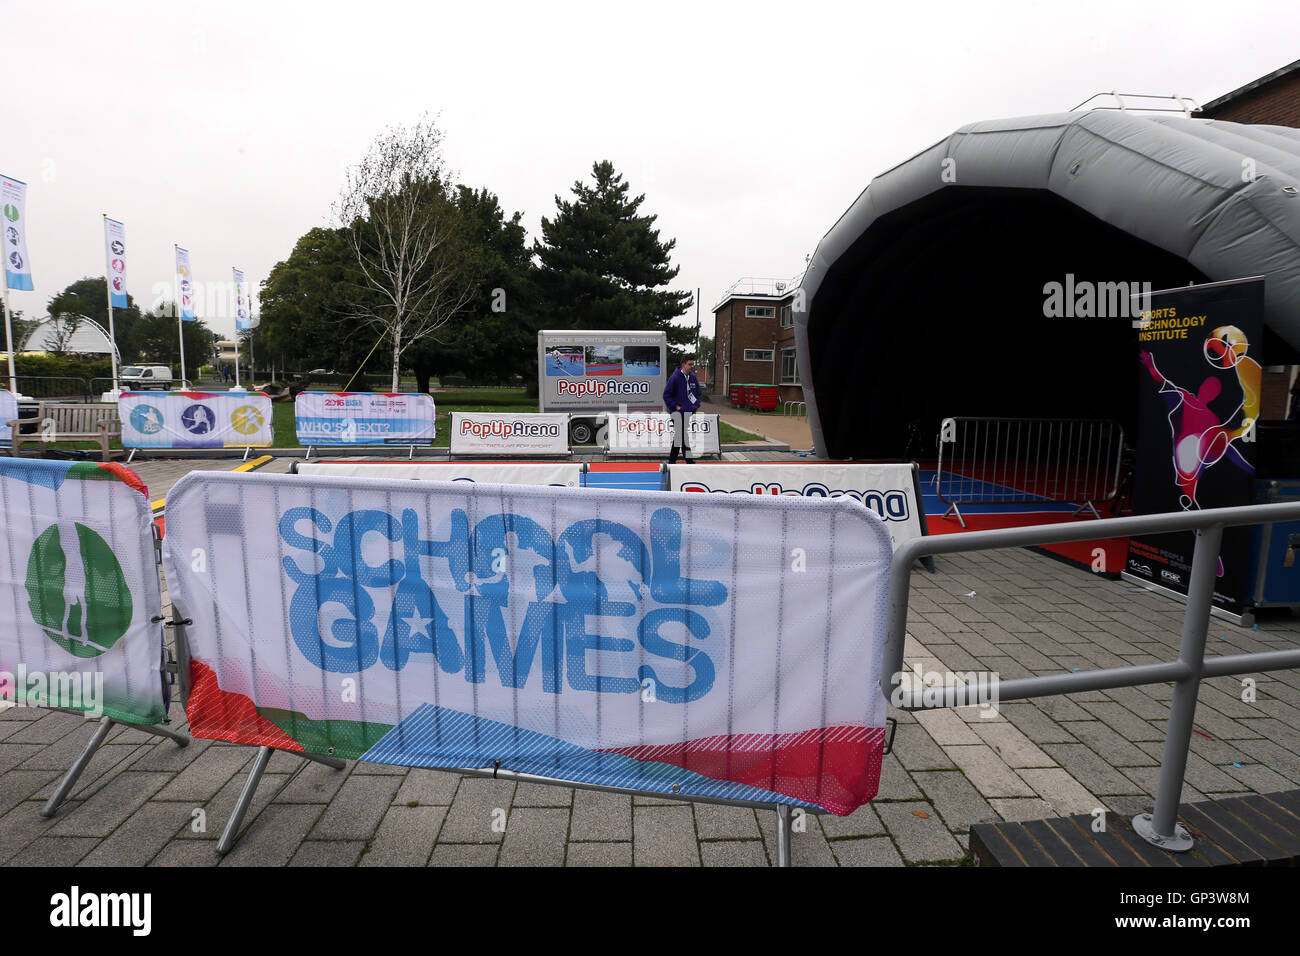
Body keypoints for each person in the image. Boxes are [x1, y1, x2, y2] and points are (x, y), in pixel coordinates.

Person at [662, 355, 700, 463]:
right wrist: (675, 406)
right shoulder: (674, 378)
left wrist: (695, 405)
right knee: (683, 435)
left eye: (693, 364)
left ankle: (672, 461)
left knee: (680, 436)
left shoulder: (693, 378)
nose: (692, 366)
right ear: (683, 364)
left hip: (688, 412)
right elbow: (666, 395)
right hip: (677, 413)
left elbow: (698, 393)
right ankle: (689, 460)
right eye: (690, 364)